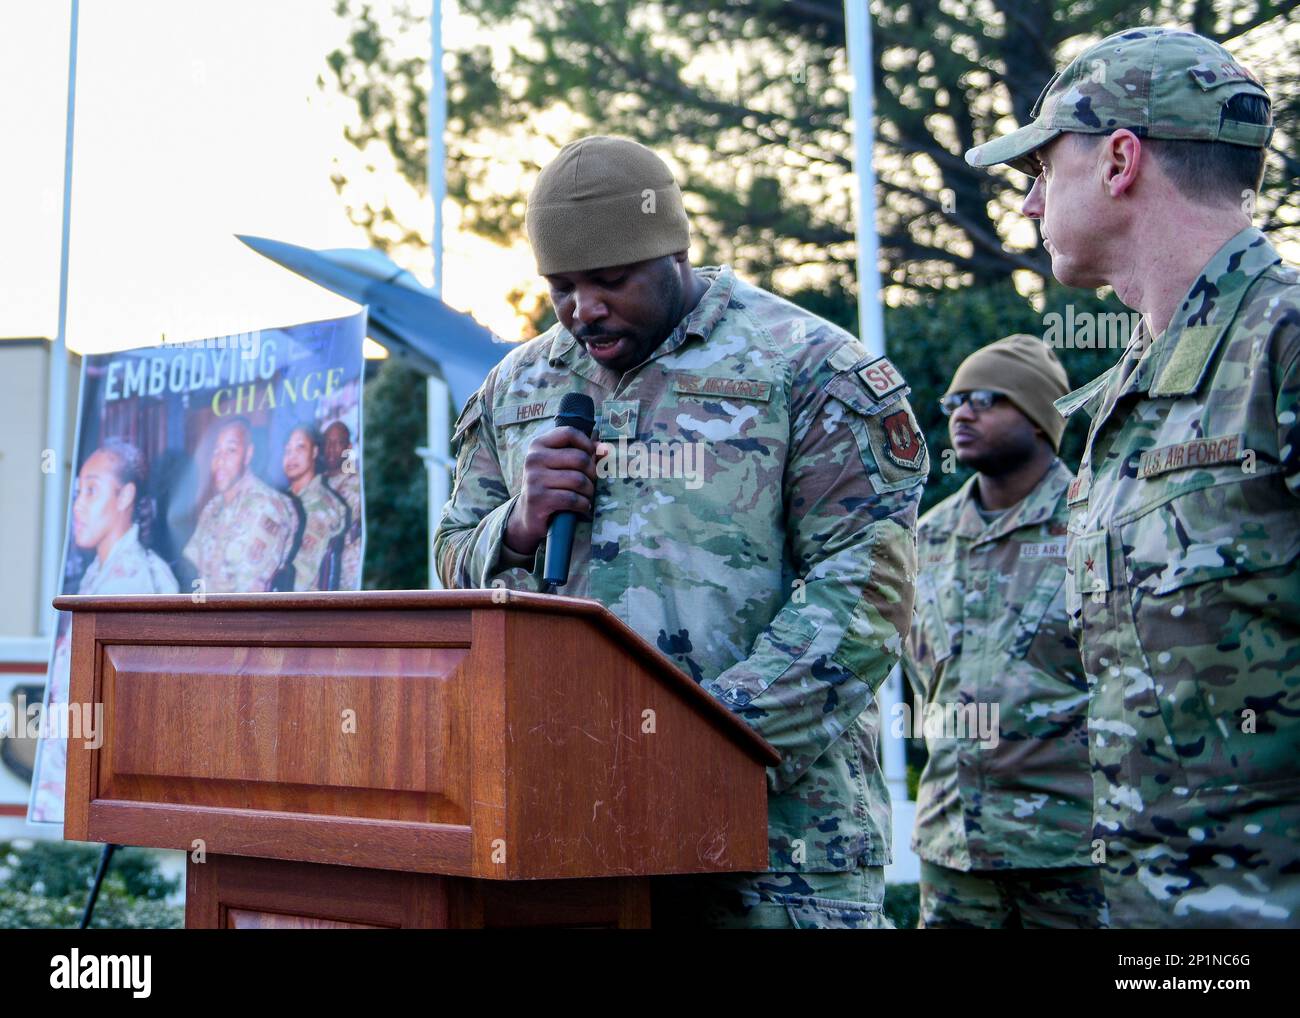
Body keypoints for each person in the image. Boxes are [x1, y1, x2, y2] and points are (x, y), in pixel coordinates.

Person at [433, 135, 929, 928]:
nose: (581, 310)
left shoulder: (806, 367)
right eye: (560, 286)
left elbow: (869, 590)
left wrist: (702, 747)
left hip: (777, 845)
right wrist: (518, 525)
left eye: (610, 281)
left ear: (674, 250)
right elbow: (454, 559)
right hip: (570, 830)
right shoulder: (519, 384)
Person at [966, 26, 1300, 927]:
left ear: (1119, 160)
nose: (1031, 207)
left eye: (1040, 172)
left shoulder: (1283, 345)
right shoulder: (1121, 398)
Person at [902, 335, 1102, 928]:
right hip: (953, 850)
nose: (962, 414)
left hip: (1071, 849)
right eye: (955, 401)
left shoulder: (1096, 523)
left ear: (1041, 419)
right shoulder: (927, 538)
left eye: (986, 399)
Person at [31, 438, 178, 822]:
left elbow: (123, 720)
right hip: (69, 782)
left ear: (126, 495)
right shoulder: (101, 571)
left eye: (92, 490)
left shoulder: (132, 584)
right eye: (78, 491)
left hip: (91, 795)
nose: (77, 504)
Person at [183, 417, 297, 593]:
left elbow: (245, 593)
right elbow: (194, 570)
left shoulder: (266, 506)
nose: (220, 460)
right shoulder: (213, 507)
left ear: (248, 454)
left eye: (231, 450)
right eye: (216, 452)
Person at [282, 424, 347, 591]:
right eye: (287, 450)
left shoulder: (323, 507)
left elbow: (298, 583)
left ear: (315, 452)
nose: (292, 456)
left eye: (300, 448)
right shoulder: (282, 501)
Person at [322, 420, 363, 588]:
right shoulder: (316, 481)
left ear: (348, 447)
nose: (332, 448)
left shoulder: (355, 484)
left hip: (343, 578)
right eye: (328, 442)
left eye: (338, 443)